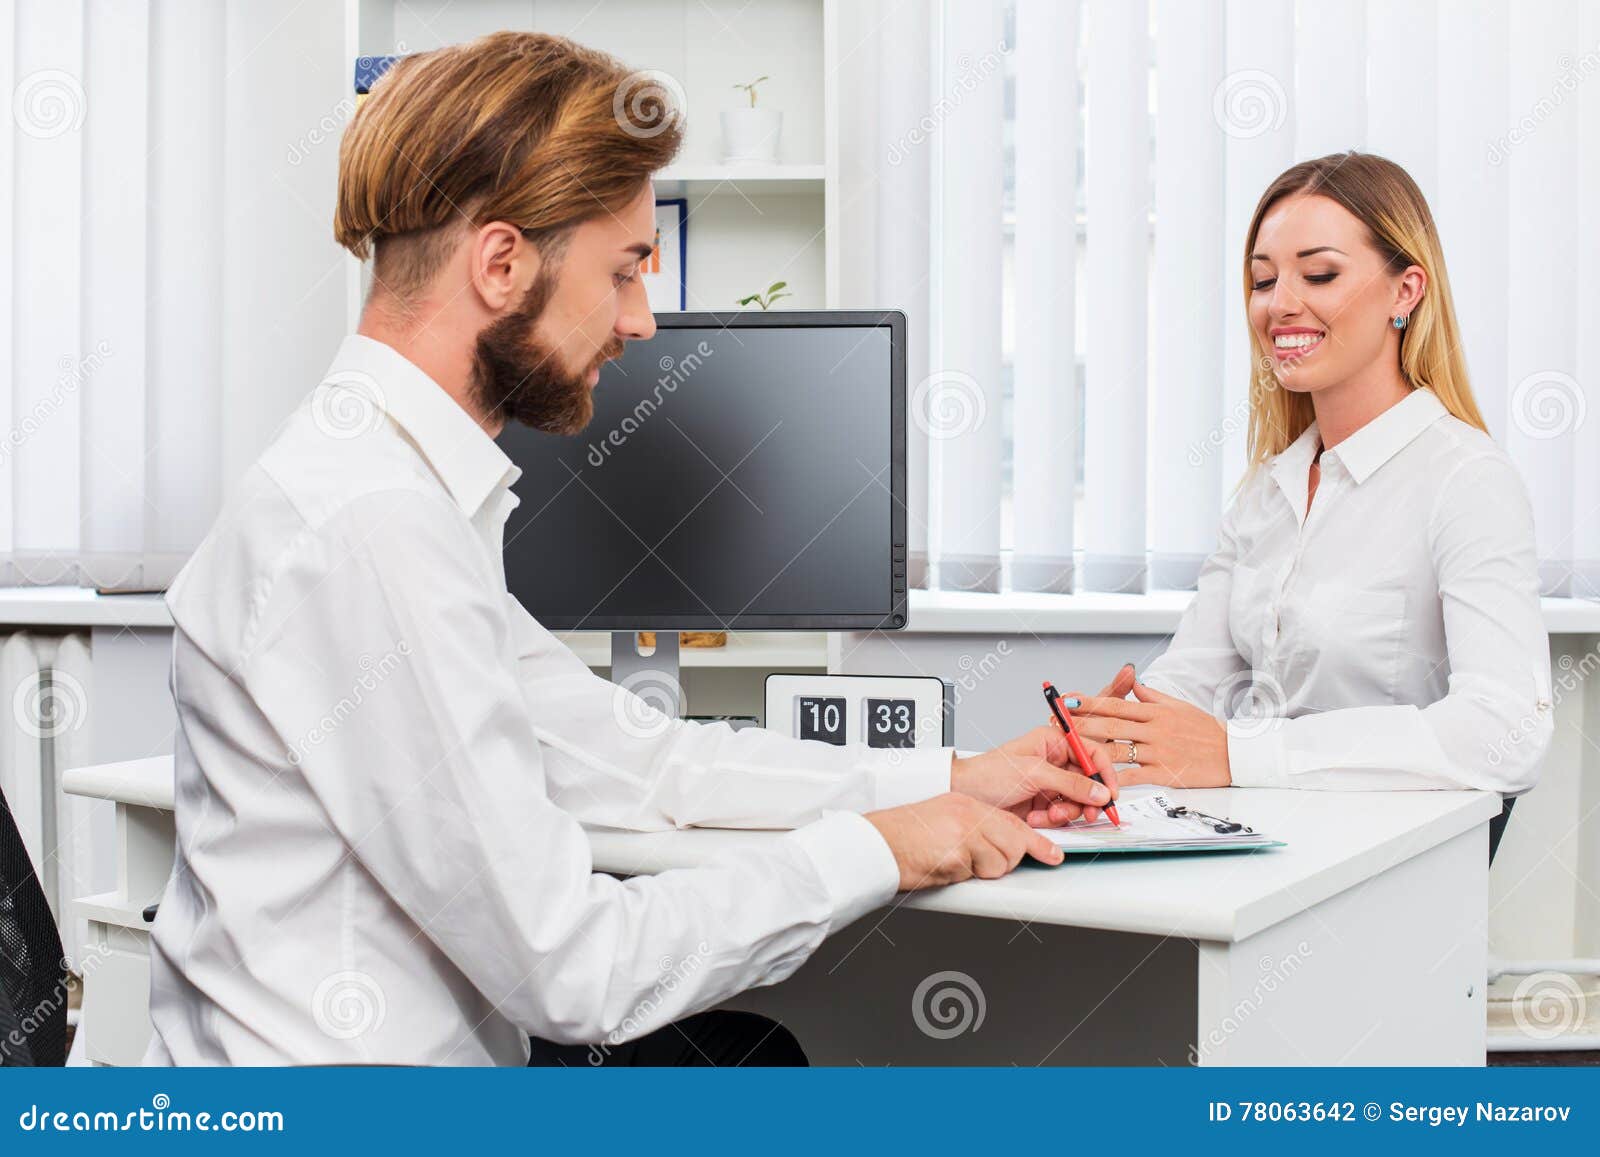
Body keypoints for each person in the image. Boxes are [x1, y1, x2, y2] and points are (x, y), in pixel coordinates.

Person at [142, 31, 1115, 1067]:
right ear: (502, 262)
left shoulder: (397, 490)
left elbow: (642, 761)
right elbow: (577, 970)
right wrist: (877, 850)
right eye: (623, 272)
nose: (644, 321)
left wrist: (952, 778)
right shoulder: (369, 522)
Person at [1067, 152, 1551, 832]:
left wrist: (1242, 752)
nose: (1279, 304)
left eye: (1319, 273)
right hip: (1258, 841)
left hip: (1384, 863)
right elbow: (1193, 679)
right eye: (1263, 280)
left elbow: (1508, 732)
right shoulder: (1269, 488)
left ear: (1405, 291)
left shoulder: (1466, 479)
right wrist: (1111, 737)